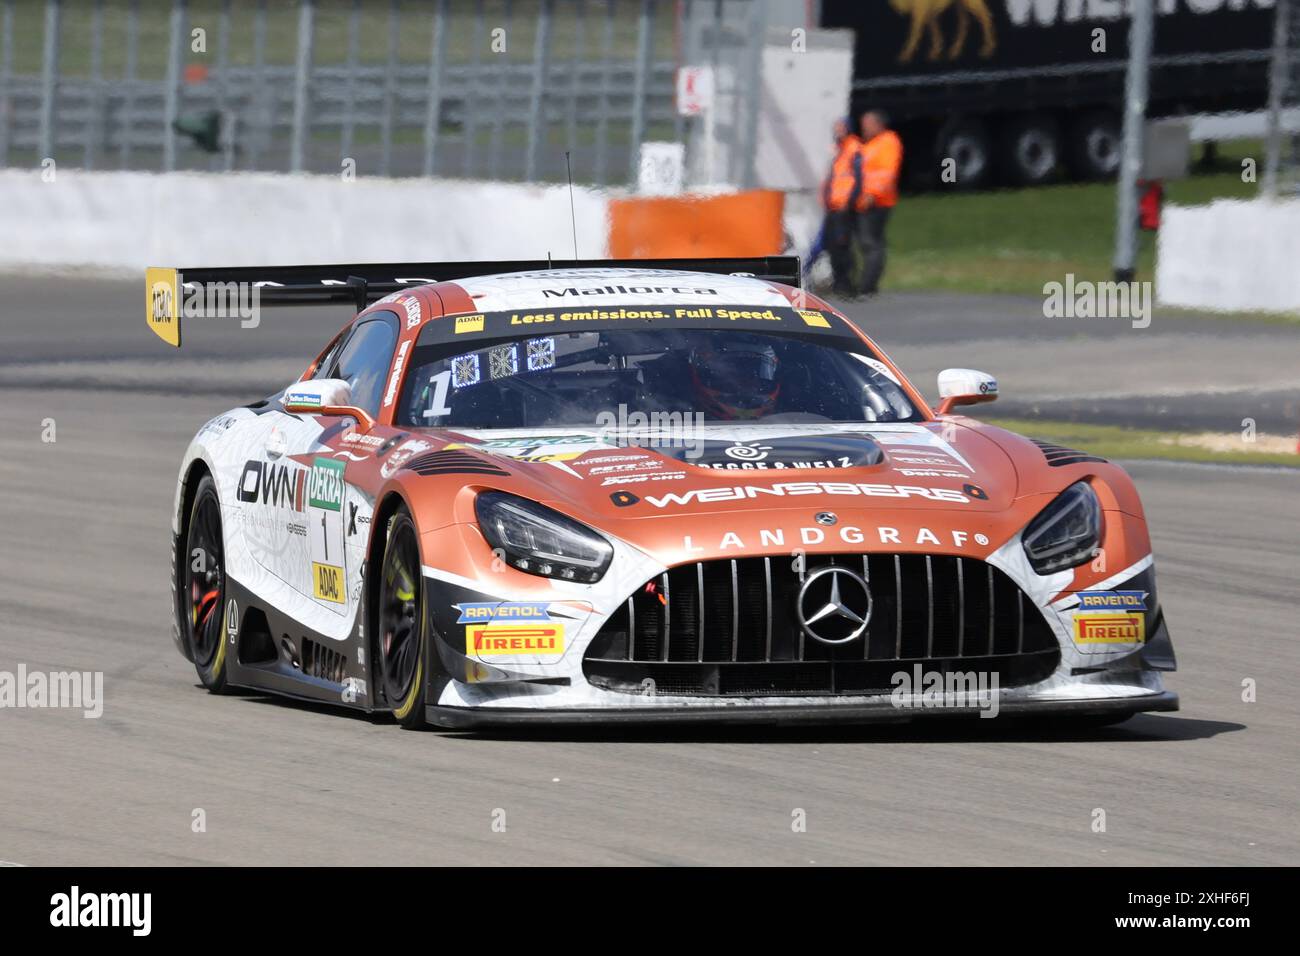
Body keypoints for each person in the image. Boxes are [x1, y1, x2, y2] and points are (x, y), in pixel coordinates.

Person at [813, 118, 863, 298]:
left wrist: (850, 203)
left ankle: (847, 285)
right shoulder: (839, 150)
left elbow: (857, 179)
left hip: (844, 207)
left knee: (843, 246)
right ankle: (838, 282)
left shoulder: (854, 148)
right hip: (833, 207)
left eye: (841, 129)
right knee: (831, 245)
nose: (837, 132)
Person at [855, 110, 903, 296]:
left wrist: (872, 194)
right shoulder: (871, 144)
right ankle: (865, 282)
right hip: (865, 201)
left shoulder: (888, 142)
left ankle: (868, 285)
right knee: (866, 242)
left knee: (871, 243)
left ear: (878, 124)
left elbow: (886, 173)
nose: (864, 128)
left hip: (878, 201)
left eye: (867, 124)